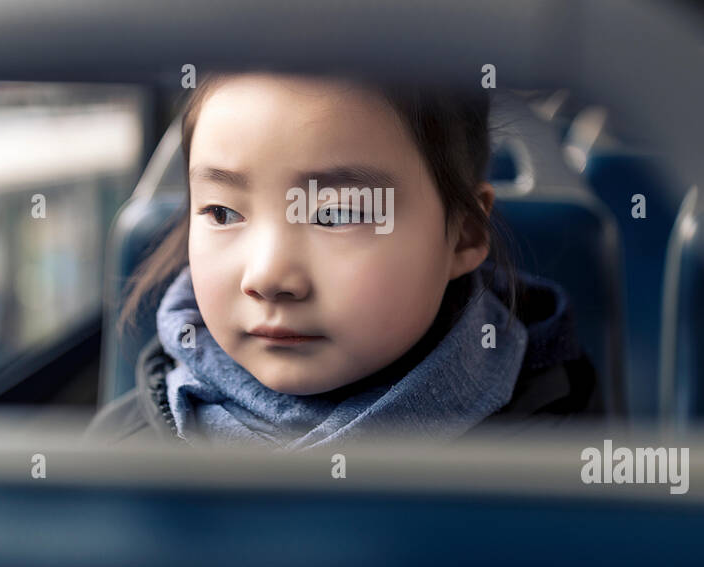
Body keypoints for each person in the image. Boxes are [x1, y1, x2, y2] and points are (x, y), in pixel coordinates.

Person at [87, 72, 603, 449]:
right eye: (222, 212)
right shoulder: (122, 450)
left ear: (463, 234)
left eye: (336, 215)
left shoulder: (554, 454)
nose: (267, 277)